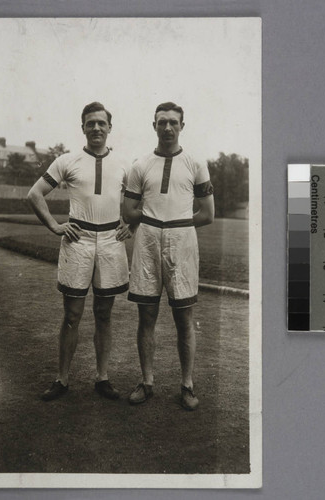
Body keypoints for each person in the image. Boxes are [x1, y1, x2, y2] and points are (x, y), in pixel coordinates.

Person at [27, 101, 133, 401]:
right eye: (90, 123)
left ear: (110, 127)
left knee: (104, 313)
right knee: (72, 314)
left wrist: (133, 226)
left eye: (101, 123)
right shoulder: (67, 161)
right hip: (79, 240)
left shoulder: (125, 164)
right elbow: (34, 195)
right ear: (83, 127)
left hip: (111, 241)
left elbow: (143, 200)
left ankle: (102, 378)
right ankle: (62, 379)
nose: (96, 128)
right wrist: (54, 225)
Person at [123, 102, 214, 410]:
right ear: (154, 125)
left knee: (184, 317)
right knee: (146, 315)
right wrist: (154, 224)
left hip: (182, 241)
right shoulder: (140, 165)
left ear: (182, 126)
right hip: (147, 241)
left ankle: (187, 385)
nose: (167, 128)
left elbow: (208, 214)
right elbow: (128, 211)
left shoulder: (195, 164)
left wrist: (176, 226)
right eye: (162, 122)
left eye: (173, 122)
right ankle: (147, 382)